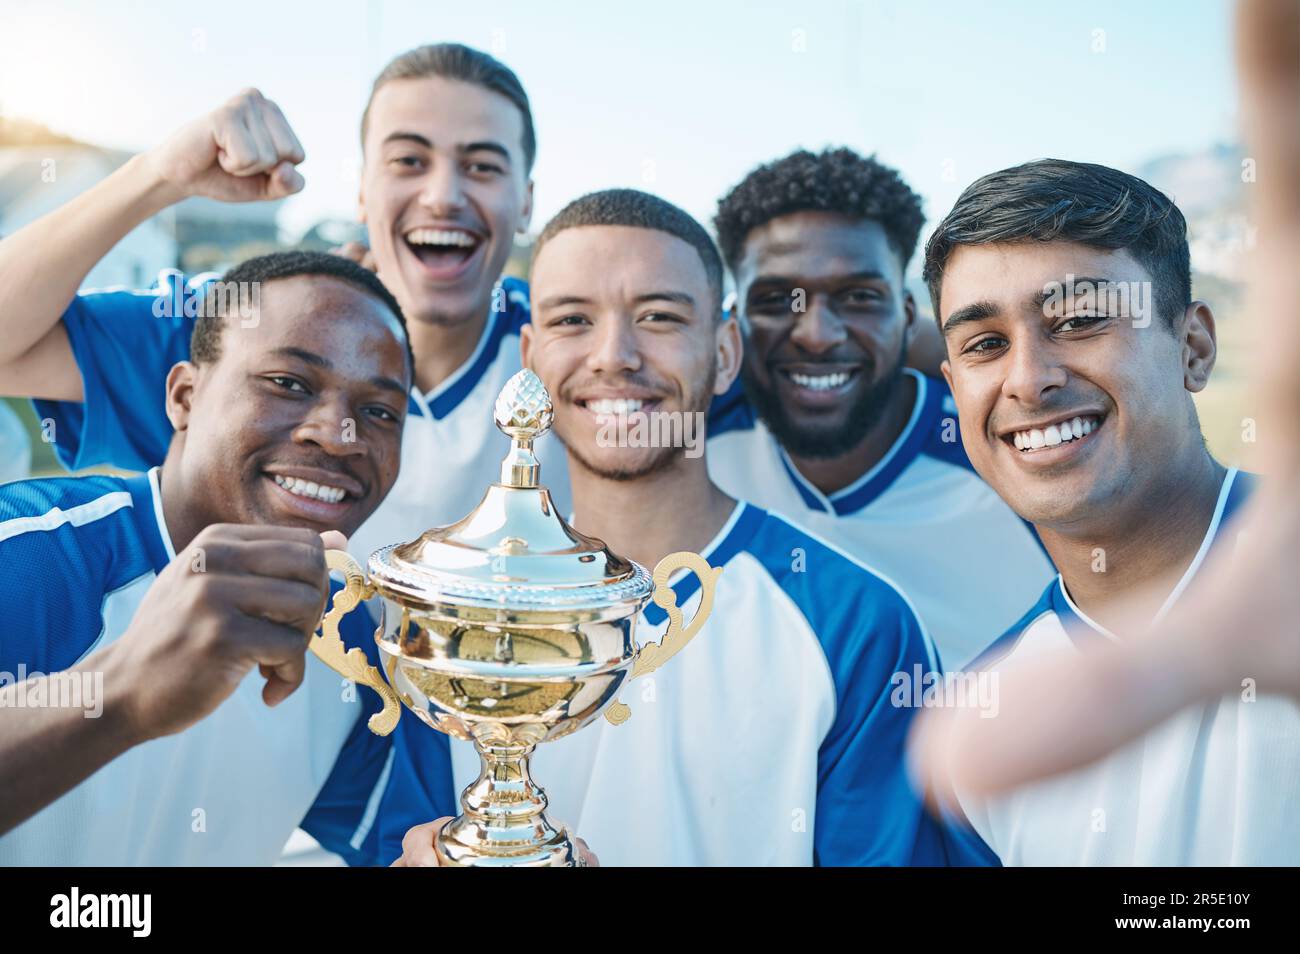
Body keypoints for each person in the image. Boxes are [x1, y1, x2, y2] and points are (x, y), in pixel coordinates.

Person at [384, 189, 992, 866]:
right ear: (530, 358)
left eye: (659, 316)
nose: (613, 355)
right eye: (572, 320)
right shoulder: (451, 609)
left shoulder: (855, 621)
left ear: (726, 350)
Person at [912, 0, 1300, 835]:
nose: (1030, 378)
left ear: (1194, 347)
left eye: (1082, 318)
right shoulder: (994, 711)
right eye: (983, 343)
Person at [0, 43, 561, 565]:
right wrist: (157, 177)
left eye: (483, 166)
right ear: (362, 191)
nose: (442, 196)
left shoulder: (573, 356)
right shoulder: (249, 328)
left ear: (527, 200)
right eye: (409, 161)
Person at [0, 251, 425, 865]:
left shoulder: (347, 632)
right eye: (289, 384)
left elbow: (401, 846)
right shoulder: (30, 554)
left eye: (379, 412)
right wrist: (119, 693)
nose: (338, 435)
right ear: (184, 397)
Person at [708, 149, 1053, 669]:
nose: (818, 336)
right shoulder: (684, 439)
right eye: (778, 300)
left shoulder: (1017, 456)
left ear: (908, 316)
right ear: (733, 323)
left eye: (859, 297)